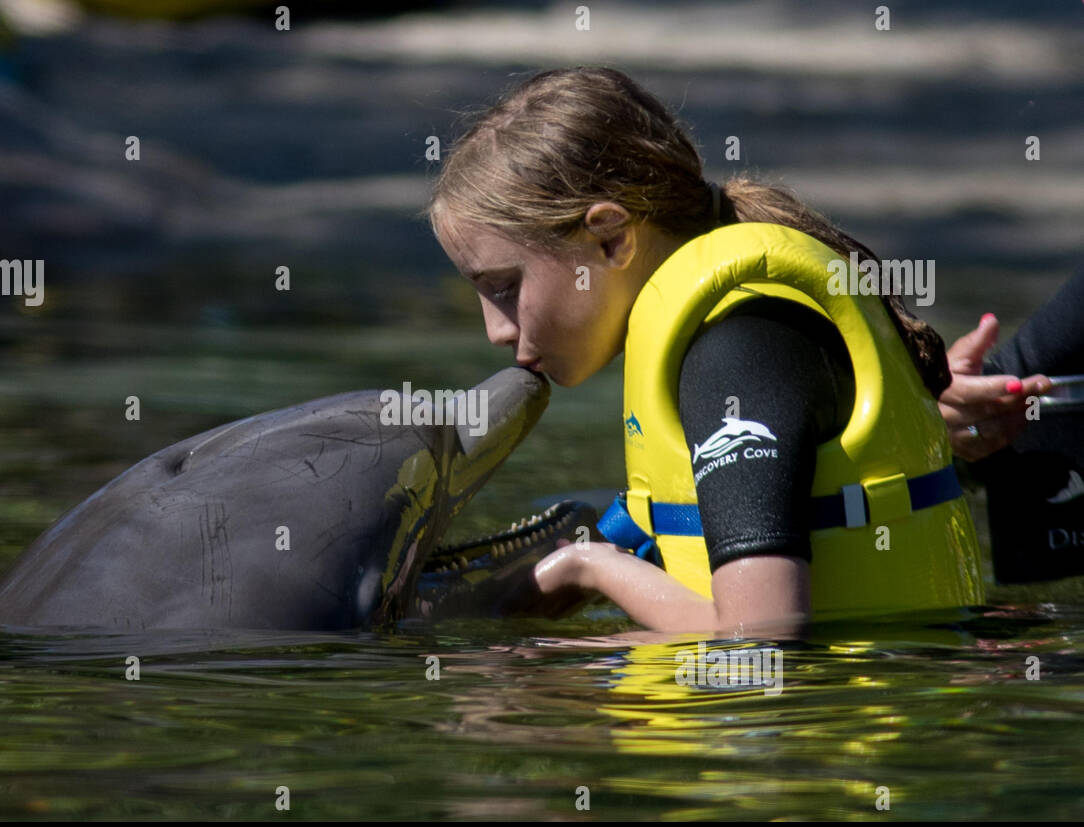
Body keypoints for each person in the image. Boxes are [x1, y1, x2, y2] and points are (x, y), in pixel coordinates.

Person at [425, 66, 1056, 637]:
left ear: (612, 240)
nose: (496, 331)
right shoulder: (746, 323)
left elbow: (760, 635)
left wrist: (587, 569)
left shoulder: (735, 348)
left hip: (825, 746)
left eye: (505, 288)